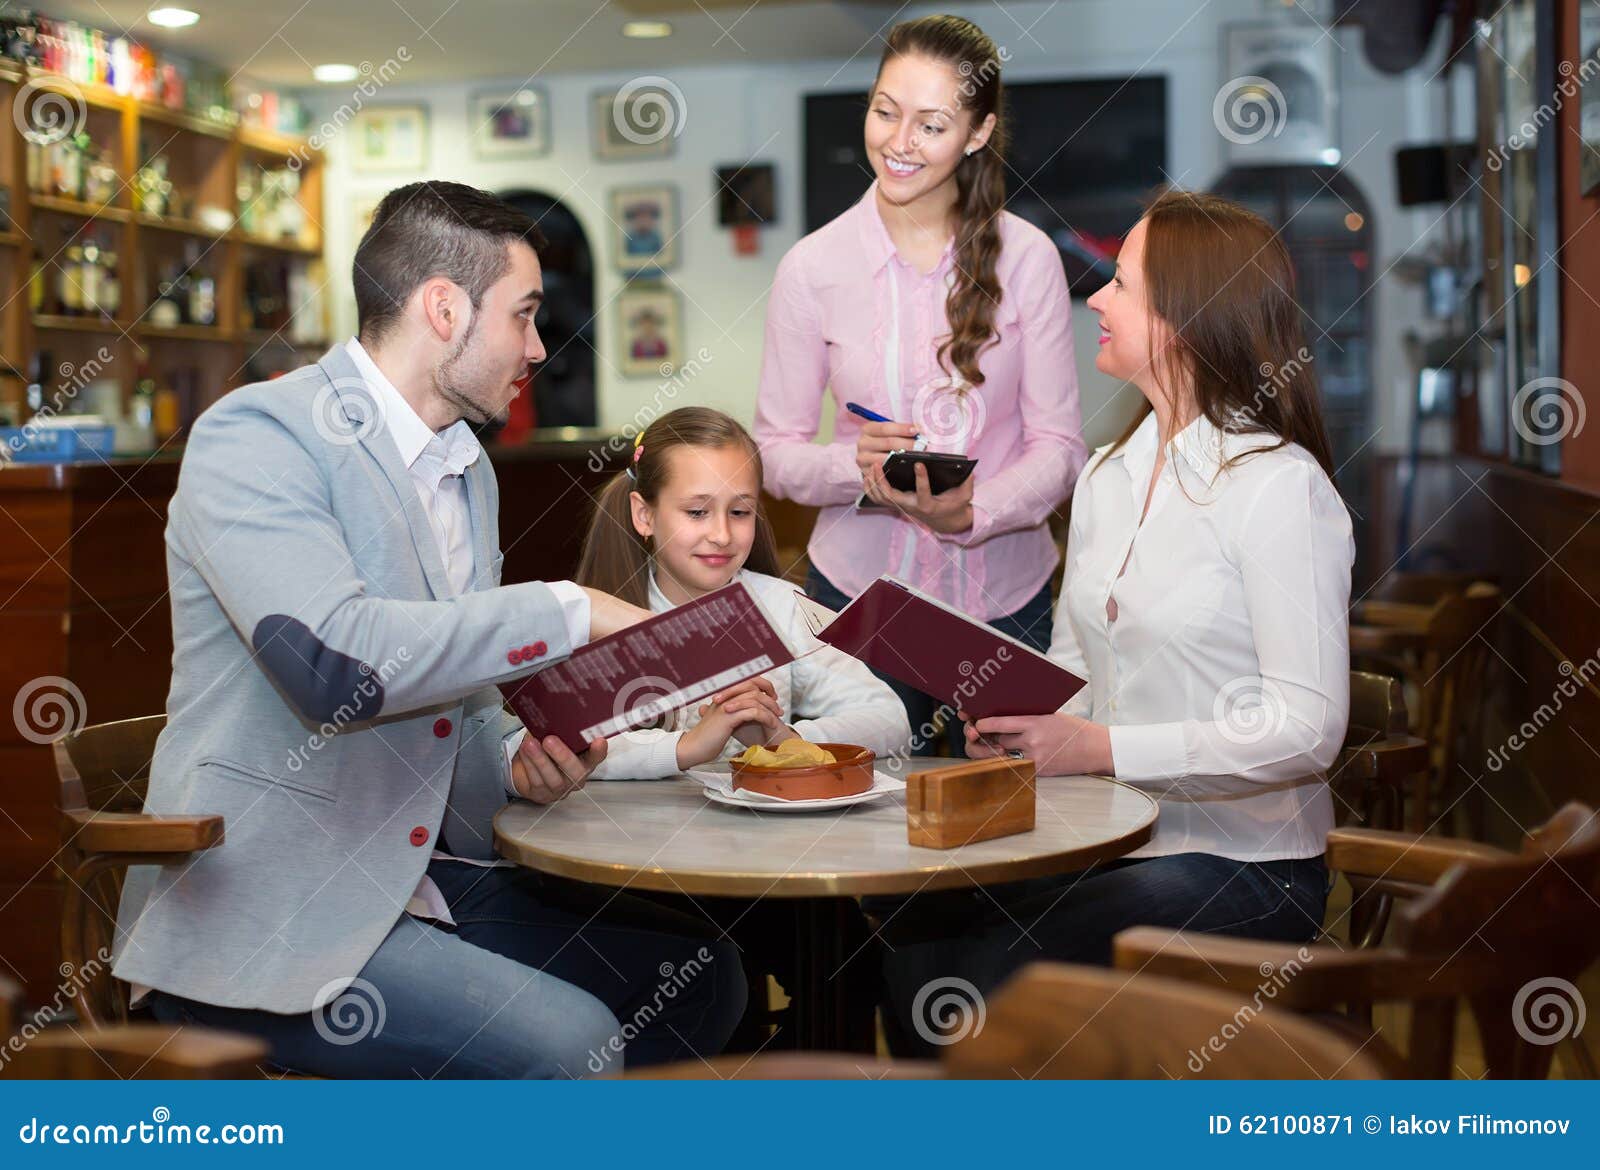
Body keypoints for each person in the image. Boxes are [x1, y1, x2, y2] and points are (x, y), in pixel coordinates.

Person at [112, 181, 746, 1078]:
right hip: (266, 914)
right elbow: (337, 666)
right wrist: (571, 607)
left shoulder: (464, 470)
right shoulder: (258, 435)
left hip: (416, 888)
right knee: (569, 1047)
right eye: (522, 315)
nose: (537, 345)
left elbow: (463, 712)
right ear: (443, 308)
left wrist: (527, 769)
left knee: (704, 977)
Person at [880, 190, 1352, 1050]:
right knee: (915, 937)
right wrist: (1036, 728)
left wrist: (1101, 750)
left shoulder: (1279, 487)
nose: (1094, 297)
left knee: (986, 978)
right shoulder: (1104, 475)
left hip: (1244, 867)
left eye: (1121, 285)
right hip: (1102, 841)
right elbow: (1077, 667)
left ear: (1185, 315)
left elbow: (1308, 730)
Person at [754, 14, 1085, 754]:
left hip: (1004, 603)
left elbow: (1061, 446)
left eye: (931, 124)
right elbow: (772, 450)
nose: (899, 143)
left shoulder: (1027, 259)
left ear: (977, 131)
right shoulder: (813, 266)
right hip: (858, 601)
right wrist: (860, 472)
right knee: (865, 832)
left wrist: (972, 513)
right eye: (884, 111)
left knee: (999, 839)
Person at [575, 407, 910, 776]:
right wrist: (689, 746)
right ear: (645, 515)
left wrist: (783, 740)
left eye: (739, 512)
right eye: (697, 511)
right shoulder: (597, 617)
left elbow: (890, 721)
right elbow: (563, 749)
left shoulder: (783, 607)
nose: (721, 535)